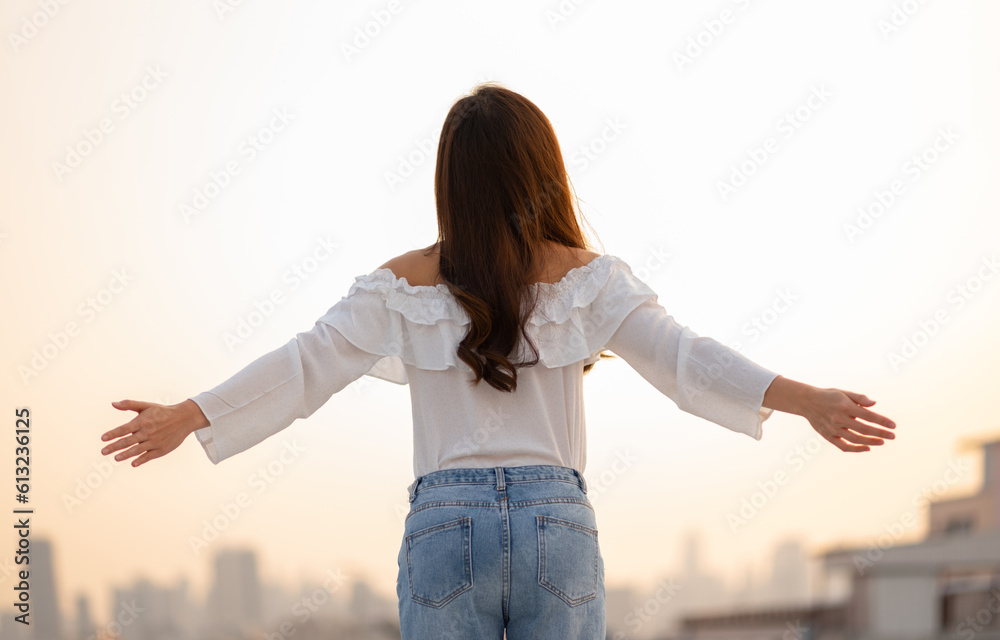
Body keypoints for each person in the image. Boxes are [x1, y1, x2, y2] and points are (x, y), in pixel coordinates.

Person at [99, 83, 896, 640]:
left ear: (449, 180)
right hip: (557, 521)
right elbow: (687, 360)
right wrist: (807, 400)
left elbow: (303, 366)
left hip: (445, 522)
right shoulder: (588, 279)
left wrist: (191, 414)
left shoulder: (399, 285)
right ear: (541, 171)